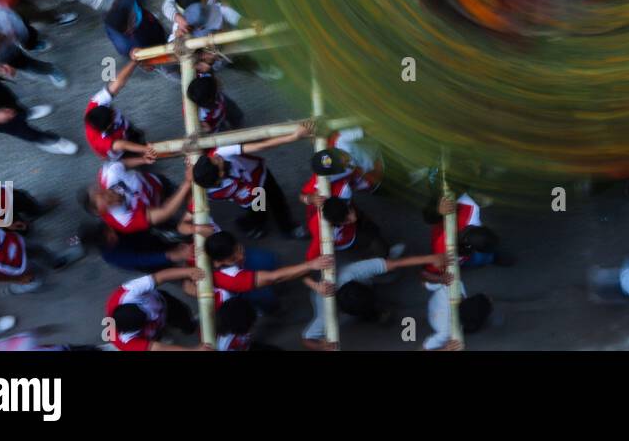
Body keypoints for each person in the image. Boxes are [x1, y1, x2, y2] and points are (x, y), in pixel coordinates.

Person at [301, 251, 461, 350]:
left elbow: (395, 264)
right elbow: (307, 339)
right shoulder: (326, 314)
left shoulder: (351, 272)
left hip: (358, 276)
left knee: (388, 269)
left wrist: (432, 257)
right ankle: (374, 313)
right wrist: (321, 346)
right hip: (337, 296)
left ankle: (376, 297)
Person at [190, 123, 307, 239]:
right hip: (248, 197)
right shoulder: (207, 191)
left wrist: (294, 137)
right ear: (220, 174)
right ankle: (250, 224)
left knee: (278, 201)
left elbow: (259, 146)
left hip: (261, 176)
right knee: (259, 212)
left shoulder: (221, 152)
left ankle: (288, 228)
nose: (215, 156)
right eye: (216, 161)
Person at [104, 269, 207, 351]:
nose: (155, 315)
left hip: (165, 303)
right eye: (148, 320)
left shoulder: (128, 292)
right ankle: (161, 334)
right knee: (157, 340)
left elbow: (160, 277)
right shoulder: (125, 342)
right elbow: (156, 348)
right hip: (152, 334)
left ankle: (189, 327)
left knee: (184, 319)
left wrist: (189, 272)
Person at [85, 59, 155, 163]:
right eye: (112, 114)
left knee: (135, 136)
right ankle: (140, 157)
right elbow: (122, 145)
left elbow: (118, 83)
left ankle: (139, 144)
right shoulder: (101, 141)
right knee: (127, 156)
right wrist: (146, 150)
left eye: (110, 109)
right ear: (108, 126)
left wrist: (134, 61)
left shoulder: (96, 103)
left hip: (124, 130)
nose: (113, 110)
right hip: (117, 151)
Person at [104, 0, 170, 59]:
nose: (134, 13)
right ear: (128, 31)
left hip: (152, 27)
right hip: (148, 44)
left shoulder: (126, 4)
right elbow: (137, 57)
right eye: (132, 19)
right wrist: (144, 62)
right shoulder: (126, 46)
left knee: (160, 36)